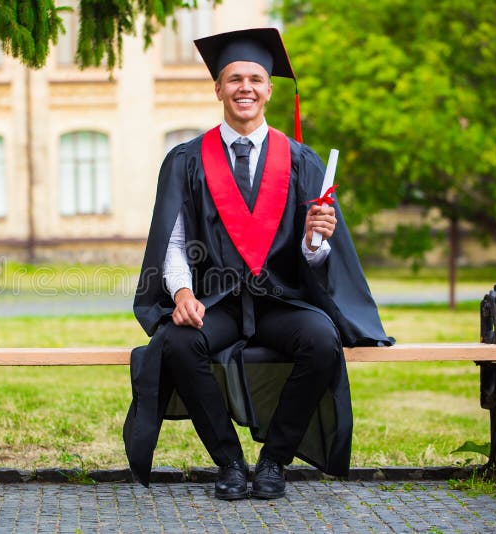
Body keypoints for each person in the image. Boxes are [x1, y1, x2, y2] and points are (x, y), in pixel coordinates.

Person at [123, 28, 393, 501]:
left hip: (279, 299)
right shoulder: (187, 160)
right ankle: (229, 461)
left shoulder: (300, 161)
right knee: (178, 341)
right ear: (218, 89)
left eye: (254, 79)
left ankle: (274, 460)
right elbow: (174, 239)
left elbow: (315, 259)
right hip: (217, 299)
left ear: (269, 89)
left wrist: (314, 240)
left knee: (321, 339)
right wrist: (183, 294)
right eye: (234, 79)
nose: (244, 87)